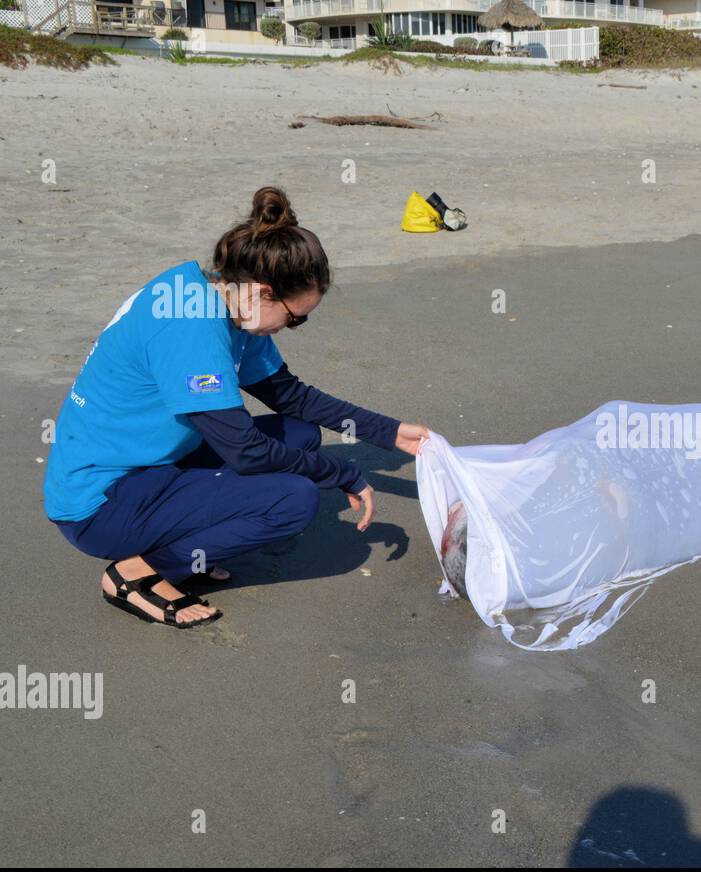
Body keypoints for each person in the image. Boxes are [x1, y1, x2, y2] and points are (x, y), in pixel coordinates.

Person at [44, 186, 431, 629]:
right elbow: (245, 451)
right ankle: (139, 574)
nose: (293, 327)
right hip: (100, 504)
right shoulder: (192, 330)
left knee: (299, 436)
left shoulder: (220, 297)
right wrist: (342, 473)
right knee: (294, 498)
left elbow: (291, 397)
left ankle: (194, 541)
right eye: (295, 317)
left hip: (150, 463)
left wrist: (389, 432)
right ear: (265, 292)